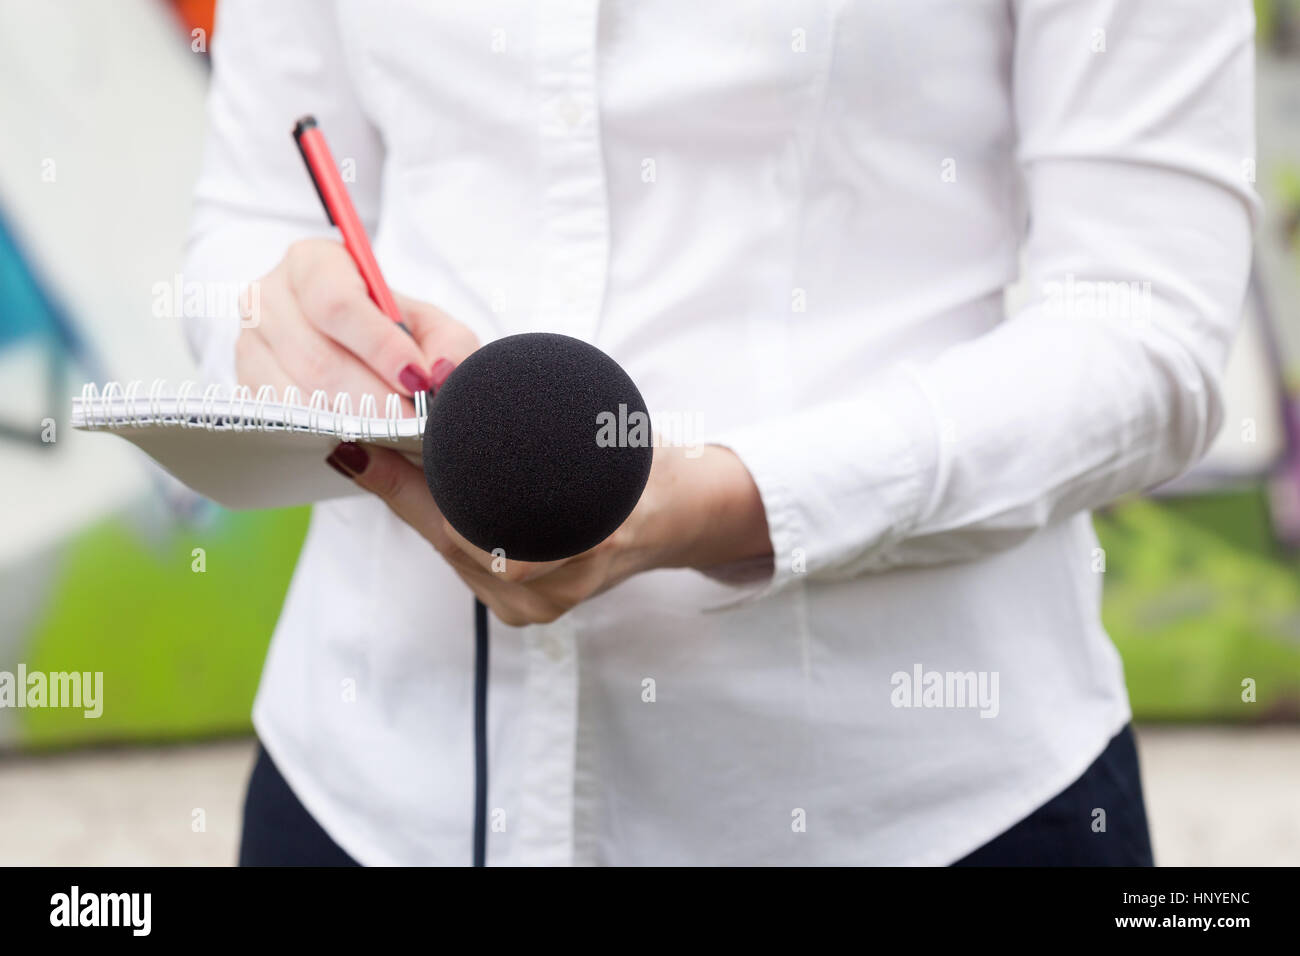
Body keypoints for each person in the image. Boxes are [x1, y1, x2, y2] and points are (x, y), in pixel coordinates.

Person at [184, 0, 1258, 865]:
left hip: (918, 810)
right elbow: (248, 219)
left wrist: (735, 498)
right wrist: (278, 326)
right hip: (366, 790)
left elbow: (1146, 327)